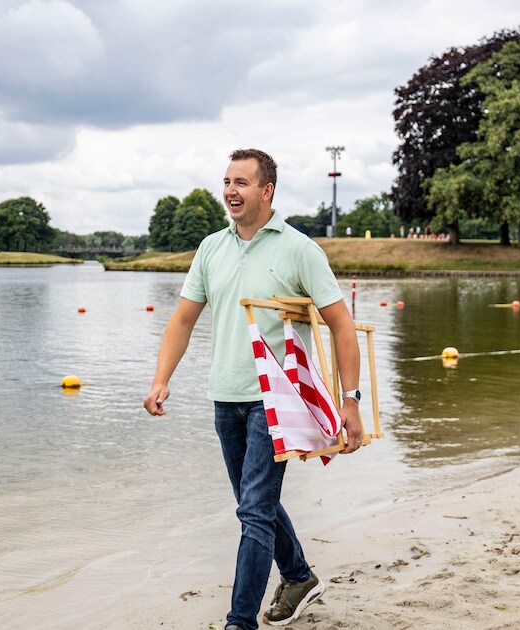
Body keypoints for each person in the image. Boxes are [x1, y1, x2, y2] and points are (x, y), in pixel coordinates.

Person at [143, 149, 363, 630]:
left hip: (278, 400)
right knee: (253, 503)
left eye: (241, 182)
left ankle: (239, 621)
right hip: (225, 397)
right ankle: (299, 576)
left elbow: (341, 326)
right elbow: (182, 320)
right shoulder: (210, 248)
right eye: (226, 181)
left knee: (254, 511)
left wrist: (351, 401)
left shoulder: (301, 249)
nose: (230, 191)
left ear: (267, 191)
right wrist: (162, 379)